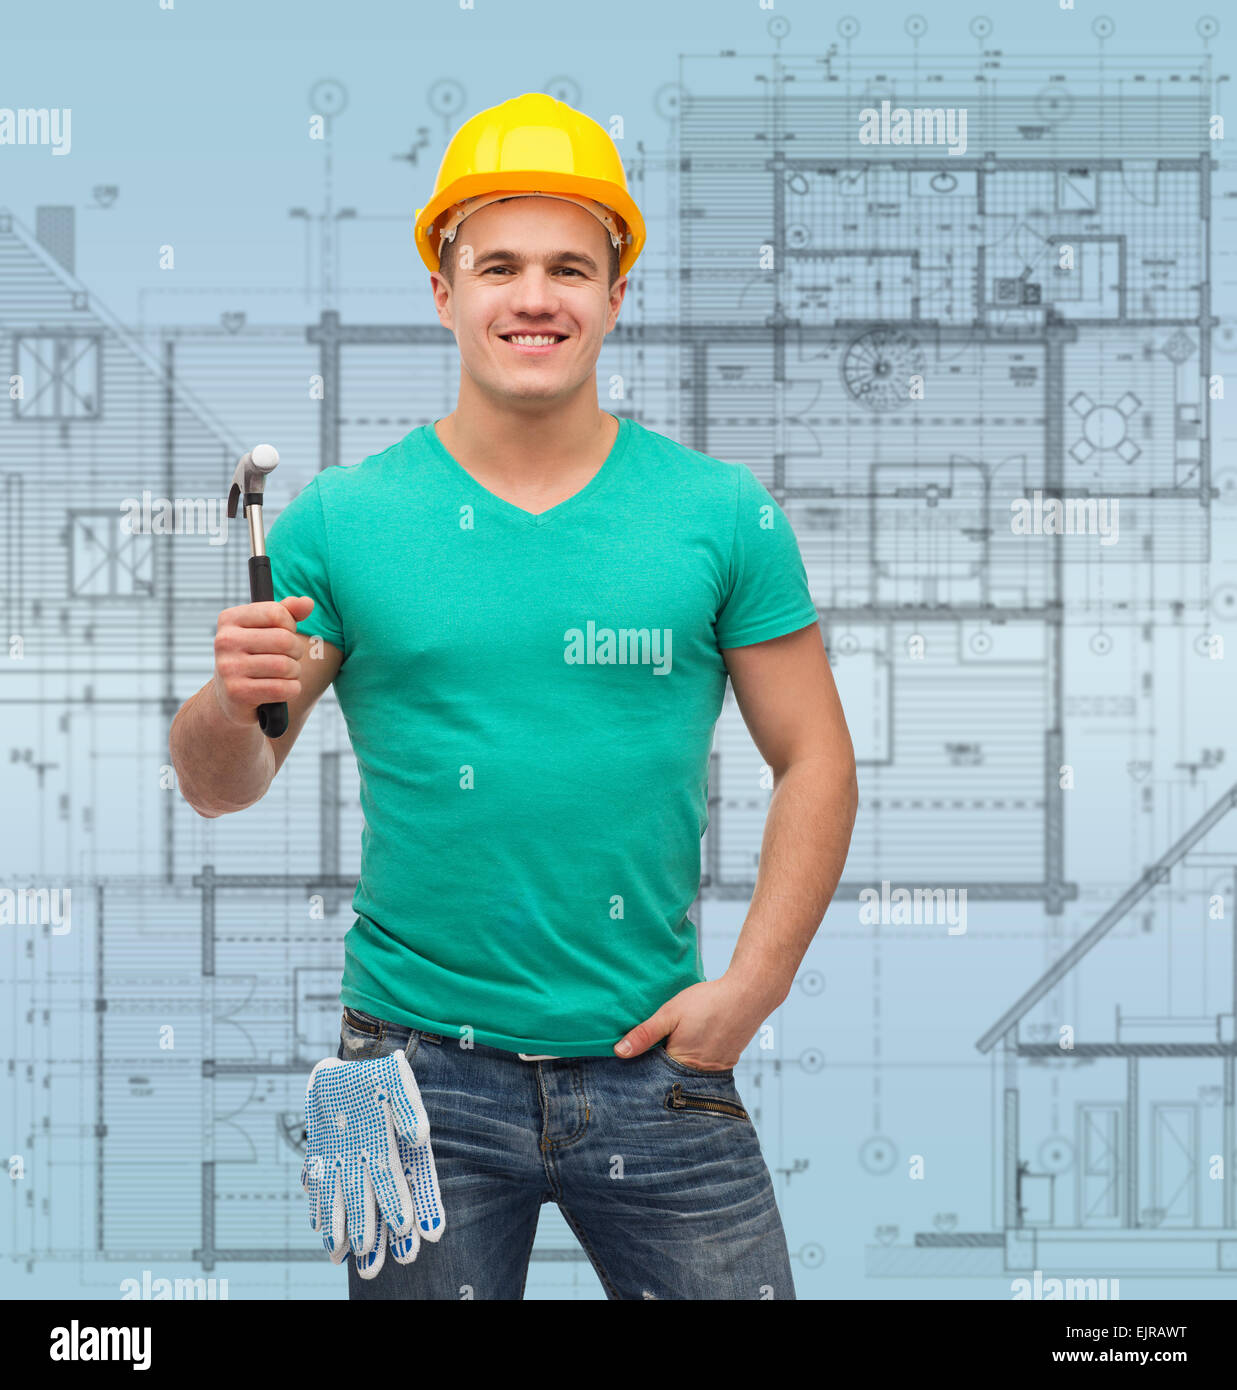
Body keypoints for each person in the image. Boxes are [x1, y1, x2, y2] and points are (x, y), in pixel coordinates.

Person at [169, 91, 857, 1300]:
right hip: (400, 1072)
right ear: (444, 290)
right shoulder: (341, 518)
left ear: (615, 293)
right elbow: (223, 786)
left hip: (662, 1067)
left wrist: (753, 987)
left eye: (569, 268)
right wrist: (230, 701)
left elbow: (815, 757)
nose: (534, 297)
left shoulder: (719, 511)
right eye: (499, 266)